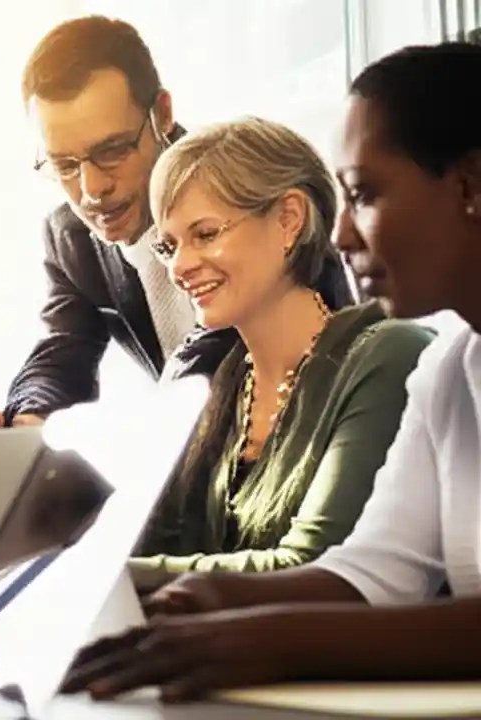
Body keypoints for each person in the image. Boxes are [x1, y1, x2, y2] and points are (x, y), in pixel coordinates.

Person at [60, 42, 481, 701]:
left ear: (469, 185)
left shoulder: (394, 355)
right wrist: (210, 598)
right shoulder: (450, 371)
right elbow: (376, 570)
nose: (342, 237)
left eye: (365, 196)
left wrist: (267, 636)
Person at [0, 16, 353, 429]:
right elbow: (62, 350)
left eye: (113, 150)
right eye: (64, 165)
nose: (91, 189)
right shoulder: (71, 237)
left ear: (163, 114)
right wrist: (29, 421)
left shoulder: (254, 189)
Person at [128, 117, 432, 592]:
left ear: (290, 218)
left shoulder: (388, 356)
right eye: (169, 246)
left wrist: (112, 576)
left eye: (205, 234)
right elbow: (151, 544)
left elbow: (315, 567)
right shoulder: (220, 387)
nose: (180, 266)